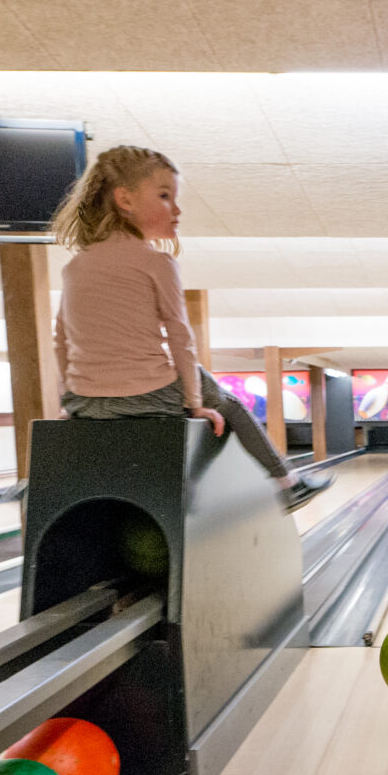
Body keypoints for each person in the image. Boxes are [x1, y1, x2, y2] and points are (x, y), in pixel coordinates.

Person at [49, 145, 331, 512]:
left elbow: (61, 340)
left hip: (84, 403)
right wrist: (196, 405)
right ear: (125, 199)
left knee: (182, 385)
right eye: (165, 196)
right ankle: (287, 483)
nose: (176, 209)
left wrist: (71, 398)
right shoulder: (157, 262)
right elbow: (180, 337)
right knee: (226, 404)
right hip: (148, 396)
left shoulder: (75, 267)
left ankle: (37, 484)